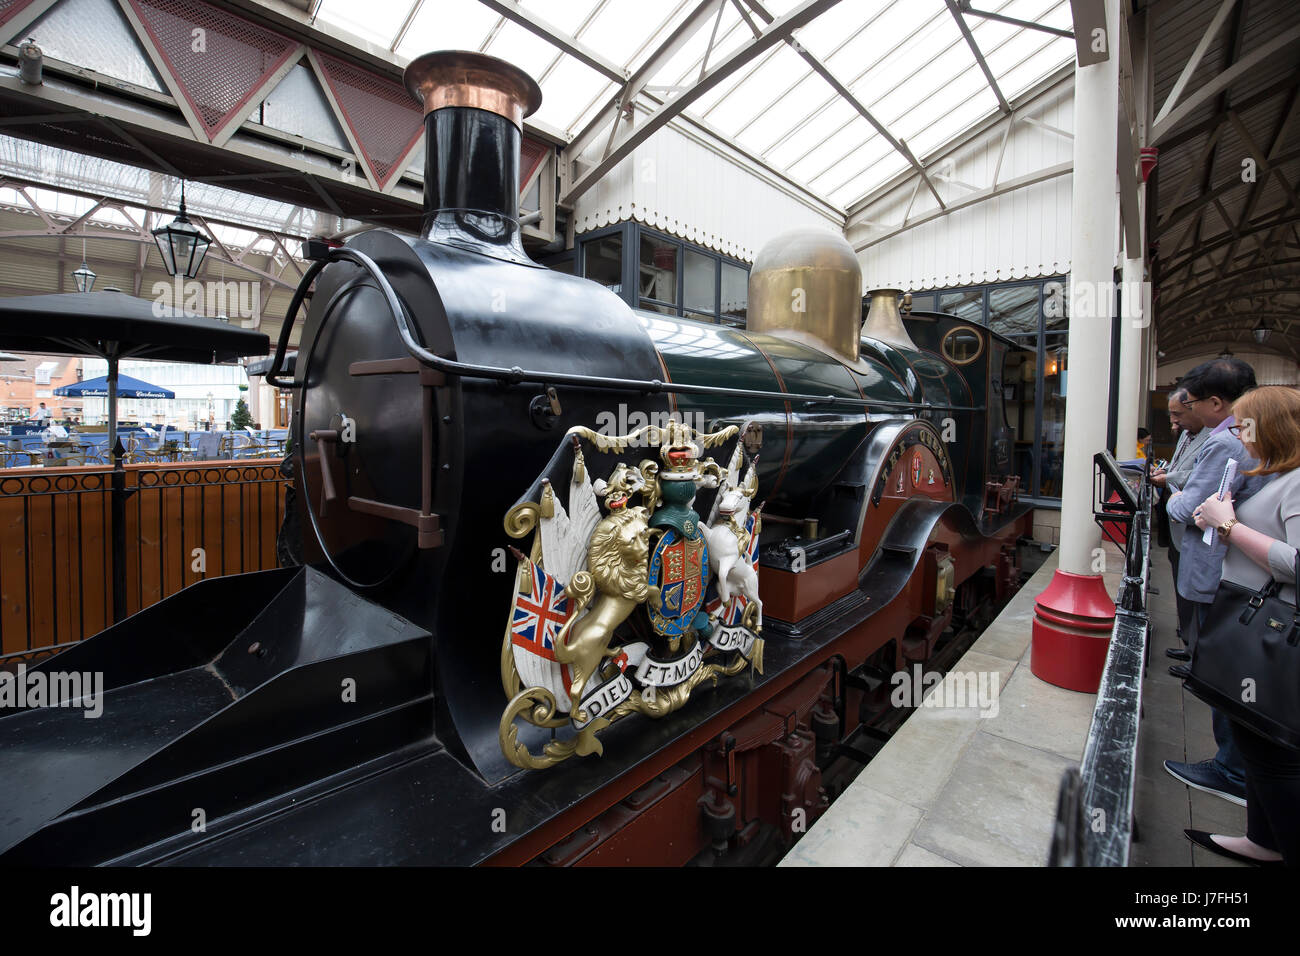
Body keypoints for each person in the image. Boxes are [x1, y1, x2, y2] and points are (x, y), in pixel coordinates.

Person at [1185, 384, 1300, 866]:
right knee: (1257, 742)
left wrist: (1229, 525)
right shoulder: (1279, 476)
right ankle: (1262, 840)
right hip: (1255, 620)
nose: (1238, 434)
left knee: (1276, 753)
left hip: (1275, 630)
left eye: (1245, 425)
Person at [1163, 357, 1269, 806]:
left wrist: (1172, 497)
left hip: (1220, 567)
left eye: (1191, 403)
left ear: (1215, 402)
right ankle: (1237, 766)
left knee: (1221, 668)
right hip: (1237, 570)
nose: (1188, 412)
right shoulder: (1248, 439)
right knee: (1223, 662)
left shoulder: (1226, 443)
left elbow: (1191, 508)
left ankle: (1231, 769)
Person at [1151, 388, 1210, 643]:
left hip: (1190, 522)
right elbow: (1180, 466)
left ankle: (1193, 645)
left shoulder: (1215, 438)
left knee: (1194, 589)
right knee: (1180, 580)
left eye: (1178, 414)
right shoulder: (1187, 434)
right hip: (1176, 524)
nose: (1173, 422)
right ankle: (1186, 637)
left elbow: (1198, 475)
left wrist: (1168, 480)